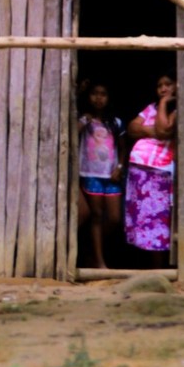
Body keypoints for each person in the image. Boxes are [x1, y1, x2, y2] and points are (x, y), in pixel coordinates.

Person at [124, 72, 177, 268]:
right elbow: (131, 128)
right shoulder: (150, 108)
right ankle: (147, 267)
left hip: (159, 173)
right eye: (159, 86)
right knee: (141, 221)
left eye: (167, 84)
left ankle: (159, 269)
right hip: (139, 171)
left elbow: (163, 131)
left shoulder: (177, 109)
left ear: (177, 85)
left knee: (156, 221)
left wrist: (163, 103)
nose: (163, 89)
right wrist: (150, 130)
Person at [78, 81, 125, 268]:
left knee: (114, 218)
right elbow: (71, 133)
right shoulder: (85, 121)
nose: (98, 98)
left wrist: (120, 166)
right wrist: (83, 120)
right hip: (90, 174)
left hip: (111, 175)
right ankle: (99, 261)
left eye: (103, 94)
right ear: (88, 97)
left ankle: (91, 248)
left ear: (109, 98)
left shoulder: (116, 122)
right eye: (94, 94)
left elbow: (122, 147)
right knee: (96, 216)